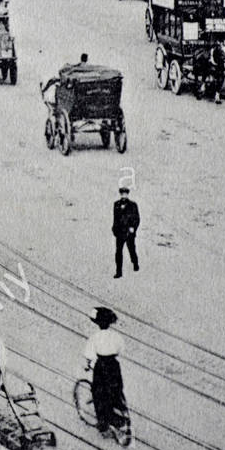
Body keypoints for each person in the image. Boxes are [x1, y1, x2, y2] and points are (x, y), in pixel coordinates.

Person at [83, 307, 128, 437]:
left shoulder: (95, 337)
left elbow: (89, 354)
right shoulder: (116, 336)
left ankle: (103, 423)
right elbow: (121, 350)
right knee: (115, 390)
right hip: (113, 365)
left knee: (99, 394)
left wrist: (88, 365)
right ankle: (121, 413)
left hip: (101, 366)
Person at [112, 186, 141, 278]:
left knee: (131, 250)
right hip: (120, 232)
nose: (123, 195)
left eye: (125, 194)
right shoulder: (116, 204)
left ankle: (135, 263)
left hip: (129, 233)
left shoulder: (133, 205)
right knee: (118, 252)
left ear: (127, 194)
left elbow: (137, 218)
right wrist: (114, 228)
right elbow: (115, 218)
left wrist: (133, 228)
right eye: (122, 194)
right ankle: (119, 272)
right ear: (120, 194)